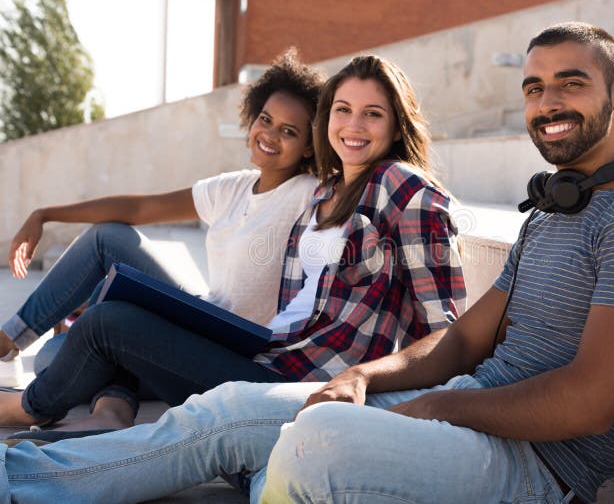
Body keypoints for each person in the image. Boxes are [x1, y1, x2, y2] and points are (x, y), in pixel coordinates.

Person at [0, 22, 614, 504]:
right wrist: (365, 380)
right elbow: (464, 338)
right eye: (534, 88)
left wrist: (438, 407)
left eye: (570, 84)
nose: (548, 103)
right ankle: (16, 475)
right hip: (463, 413)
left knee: (310, 446)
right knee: (230, 409)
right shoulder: (552, 213)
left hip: (536, 469)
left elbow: (589, 403)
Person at [0, 54, 466, 439]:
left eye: (373, 113)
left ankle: (27, 408)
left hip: (292, 381)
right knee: (72, 342)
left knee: (103, 325)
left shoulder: (395, 188)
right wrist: (47, 212)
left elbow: (445, 330)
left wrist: (375, 388)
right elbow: (143, 208)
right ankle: (104, 407)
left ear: (396, 125)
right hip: (264, 351)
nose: (354, 124)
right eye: (343, 109)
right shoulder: (325, 196)